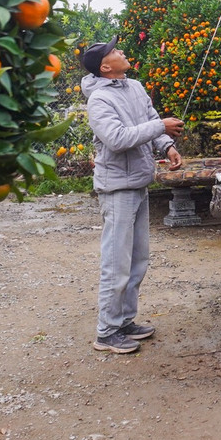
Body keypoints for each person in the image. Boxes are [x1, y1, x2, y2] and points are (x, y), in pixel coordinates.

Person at [80, 35, 183, 354]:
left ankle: (124, 320)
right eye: (115, 51)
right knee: (117, 261)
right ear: (105, 66)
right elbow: (117, 138)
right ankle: (106, 331)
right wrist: (160, 128)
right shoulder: (98, 100)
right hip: (117, 187)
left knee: (138, 258)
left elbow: (150, 122)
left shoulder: (135, 87)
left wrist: (167, 145)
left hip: (139, 181)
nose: (122, 51)